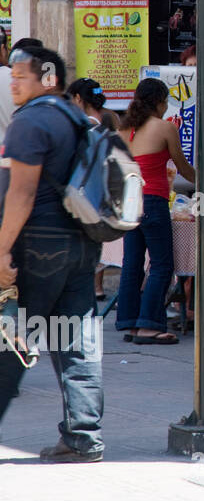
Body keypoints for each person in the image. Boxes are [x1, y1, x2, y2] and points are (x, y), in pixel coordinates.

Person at [0, 45, 105, 462]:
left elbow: (21, 196)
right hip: (81, 243)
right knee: (76, 340)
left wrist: (2, 250)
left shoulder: (30, 123)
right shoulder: (77, 118)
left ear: (48, 78)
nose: (13, 84)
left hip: (39, 244)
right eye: (11, 76)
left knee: (11, 339)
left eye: (21, 76)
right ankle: (84, 437)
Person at [115, 79, 195, 344]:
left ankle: (130, 322)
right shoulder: (164, 127)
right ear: (160, 102)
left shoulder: (123, 129)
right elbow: (183, 168)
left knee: (132, 264)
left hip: (129, 203)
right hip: (152, 201)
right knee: (161, 265)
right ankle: (149, 325)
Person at [67, 78, 118, 301]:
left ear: (78, 98)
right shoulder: (112, 117)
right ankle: (95, 286)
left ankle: (88, 287)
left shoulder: (80, 123)